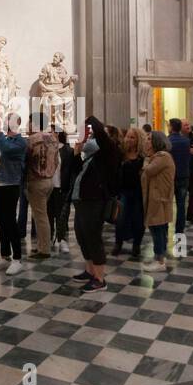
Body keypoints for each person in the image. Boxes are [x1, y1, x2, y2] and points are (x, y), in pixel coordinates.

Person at [72, 116, 120, 292]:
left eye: (95, 135)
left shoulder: (109, 152)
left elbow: (101, 135)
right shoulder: (91, 157)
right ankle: (89, 270)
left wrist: (89, 120)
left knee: (92, 236)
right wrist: (76, 154)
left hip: (95, 200)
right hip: (82, 200)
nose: (92, 137)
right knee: (81, 235)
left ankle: (100, 278)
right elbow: (76, 172)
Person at [0, 113, 28, 274]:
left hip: (10, 186)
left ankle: (17, 259)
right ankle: (4, 256)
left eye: (8, 120)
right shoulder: (2, 140)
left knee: (10, 222)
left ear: (16, 123)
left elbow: (6, 149)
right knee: (0, 222)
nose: (5, 122)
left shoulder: (20, 142)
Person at [142, 129, 176, 272]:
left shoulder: (162, 156)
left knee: (158, 229)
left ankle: (160, 260)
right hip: (156, 198)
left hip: (159, 199)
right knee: (157, 228)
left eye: (149, 139)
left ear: (156, 141)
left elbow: (149, 170)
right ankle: (159, 257)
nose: (146, 141)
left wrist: (145, 160)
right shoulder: (157, 156)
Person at [26, 115, 59, 260]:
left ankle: (44, 250)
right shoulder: (53, 139)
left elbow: (26, 161)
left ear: (34, 123)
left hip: (36, 181)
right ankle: (41, 245)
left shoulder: (32, 140)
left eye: (29, 122)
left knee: (40, 216)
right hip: (49, 180)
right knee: (41, 215)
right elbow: (57, 161)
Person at [113, 128, 146, 260]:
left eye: (132, 137)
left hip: (138, 192)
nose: (129, 139)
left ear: (138, 139)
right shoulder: (121, 154)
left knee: (138, 220)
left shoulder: (142, 157)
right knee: (120, 219)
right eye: (128, 136)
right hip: (124, 191)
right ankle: (118, 243)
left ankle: (136, 245)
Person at [51, 130, 77, 253]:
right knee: (48, 214)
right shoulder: (47, 148)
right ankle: (49, 239)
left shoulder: (67, 151)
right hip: (48, 187)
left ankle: (61, 239)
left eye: (52, 132)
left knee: (61, 216)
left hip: (62, 186)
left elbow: (71, 170)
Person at [168, 118, 191, 236]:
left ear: (171, 127)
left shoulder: (168, 141)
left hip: (170, 177)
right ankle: (179, 230)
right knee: (181, 205)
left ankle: (165, 228)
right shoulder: (186, 141)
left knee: (167, 204)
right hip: (184, 175)